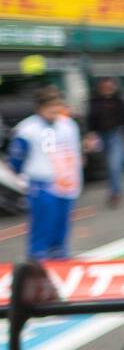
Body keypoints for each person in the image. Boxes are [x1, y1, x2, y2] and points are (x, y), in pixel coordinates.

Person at [8, 86, 82, 260]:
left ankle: (60, 258)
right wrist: (25, 180)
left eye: (57, 104)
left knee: (61, 225)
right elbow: (16, 159)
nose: (55, 109)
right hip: (41, 185)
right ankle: (36, 261)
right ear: (40, 107)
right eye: (50, 105)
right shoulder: (27, 129)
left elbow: (75, 152)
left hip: (66, 184)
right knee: (42, 226)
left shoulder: (68, 125)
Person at [86, 76, 124, 207]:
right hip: (102, 135)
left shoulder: (119, 101)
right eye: (105, 87)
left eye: (110, 87)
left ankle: (115, 193)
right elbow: (91, 119)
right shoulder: (95, 102)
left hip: (117, 134)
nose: (107, 89)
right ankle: (115, 189)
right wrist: (90, 135)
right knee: (110, 165)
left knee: (114, 165)